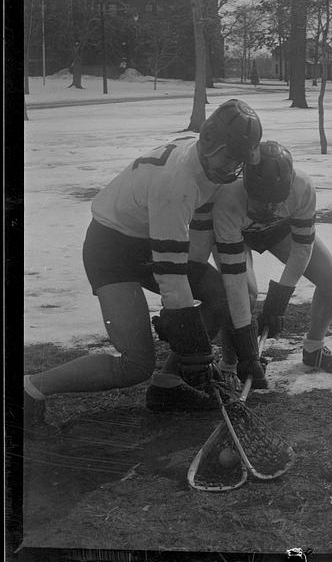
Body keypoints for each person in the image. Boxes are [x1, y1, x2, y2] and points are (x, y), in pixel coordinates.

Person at [23, 99, 268, 432]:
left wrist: (237, 348)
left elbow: (191, 257)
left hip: (148, 240)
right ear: (210, 142)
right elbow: (171, 274)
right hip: (111, 248)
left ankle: (168, 386)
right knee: (135, 364)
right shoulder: (176, 183)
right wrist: (194, 349)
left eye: (239, 162)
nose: (231, 170)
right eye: (228, 158)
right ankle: (30, 387)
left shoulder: (203, 159)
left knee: (219, 293)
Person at [189, 140, 332, 386]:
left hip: (278, 229)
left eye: (275, 201)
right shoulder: (228, 197)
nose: (267, 207)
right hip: (235, 234)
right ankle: (231, 365)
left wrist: (278, 302)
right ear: (246, 184)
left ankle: (314, 350)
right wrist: (248, 350)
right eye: (259, 200)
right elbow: (234, 279)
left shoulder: (302, 187)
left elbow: (302, 249)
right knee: (245, 292)